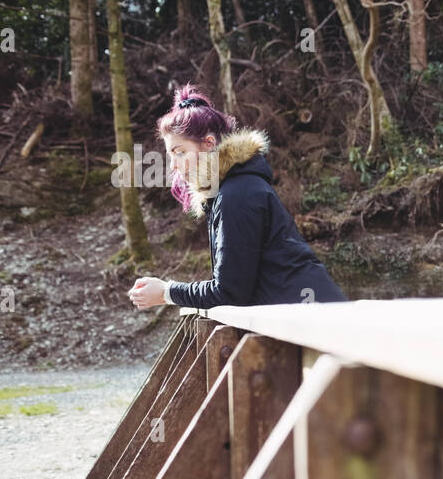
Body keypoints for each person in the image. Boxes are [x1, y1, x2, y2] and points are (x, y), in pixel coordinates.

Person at [129, 83, 347, 310]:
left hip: (317, 323)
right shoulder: (232, 189)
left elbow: (229, 293)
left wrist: (167, 292)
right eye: (170, 155)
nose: (173, 165)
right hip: (306, 318)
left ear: (209, 144)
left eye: (180, 152)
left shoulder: (236, 194)